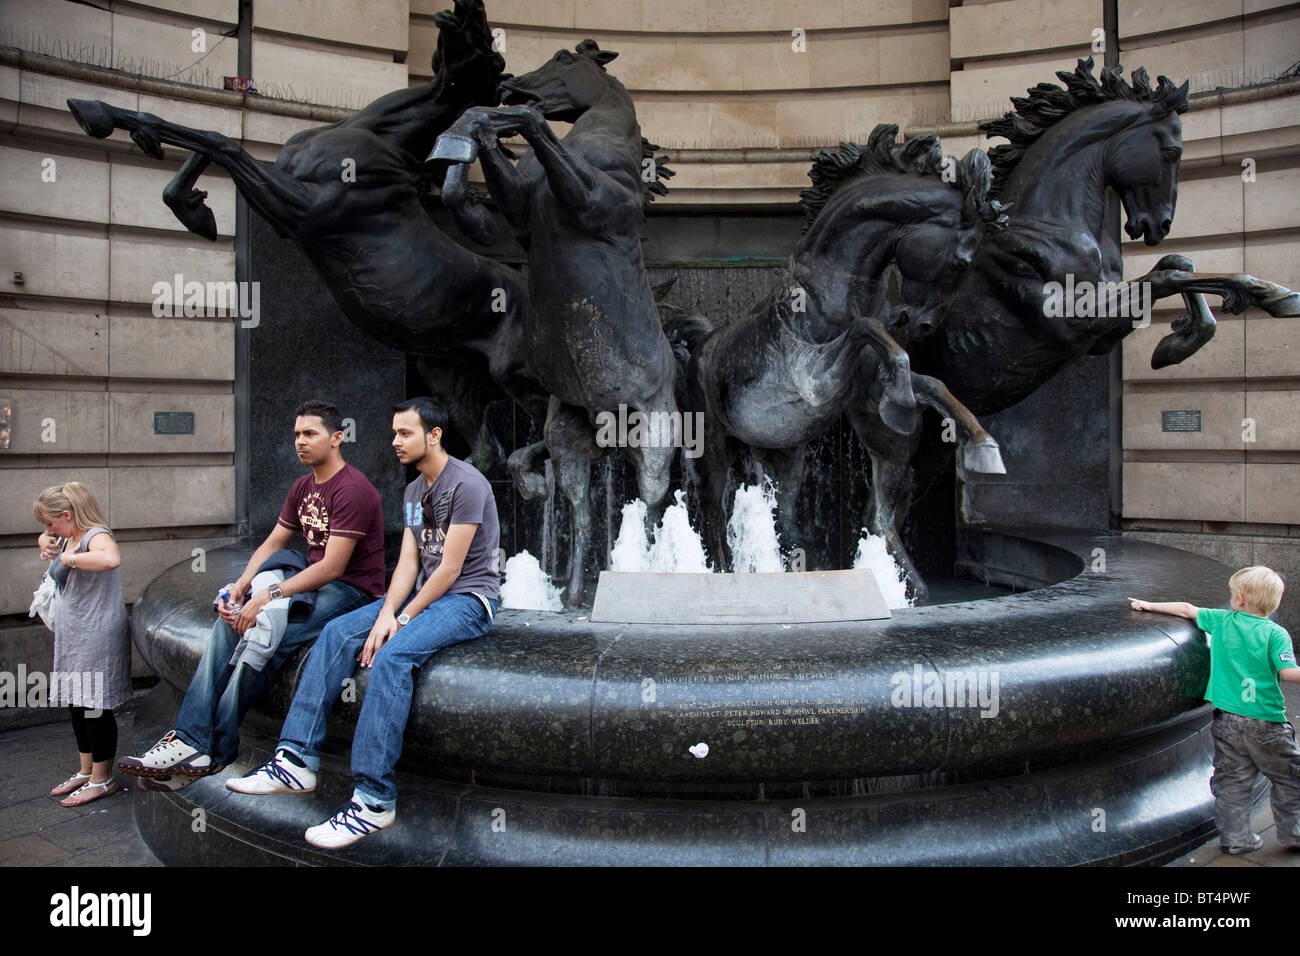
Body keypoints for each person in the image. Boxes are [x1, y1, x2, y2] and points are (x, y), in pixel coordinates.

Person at [227, 397, 501, 850]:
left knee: (392, 657)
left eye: (404, 433)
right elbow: (409, 563)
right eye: (394, 432)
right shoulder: (415, 492)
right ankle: (295, 760)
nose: (394, 441)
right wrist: (389, 611)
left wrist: (403, 620)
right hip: (422, 595)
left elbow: (450, 570)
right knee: (336, 632)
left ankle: (374, 799)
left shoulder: (467, 484)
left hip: (469, 599)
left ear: (434, 435)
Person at [119, 400, 385, 783]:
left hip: (351, 592)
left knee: (265, 634)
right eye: (296, 434)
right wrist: (241, 589)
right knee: (229, 623)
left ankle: (217, 748)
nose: (301, 441)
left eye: (310, 433)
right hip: (312, 583)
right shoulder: (303, 487)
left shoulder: (354, 490)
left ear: (337, 437)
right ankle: (189, 739)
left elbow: (332, 567)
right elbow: (274, 542)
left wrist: (267, 597)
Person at [1129, 566, 1300, 854]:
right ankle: (1293, 833)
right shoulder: (1276, 634)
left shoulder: (1223, 621)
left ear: (1241, 599)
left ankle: (1236, 838)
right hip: (1266, 724)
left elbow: (1185, 609)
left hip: (1226, 721)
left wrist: (1147, 605)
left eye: (1233, 594)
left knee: (1232, 781)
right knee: (1289, 778)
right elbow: (1288, 673)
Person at [34, 482, 133, 807]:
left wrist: (70, 559)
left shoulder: (95, 535)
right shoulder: (68, 536)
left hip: (96, 634)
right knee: (77, 703)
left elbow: (111, 558)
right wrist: (48, 541)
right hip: (76, 632)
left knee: (93, 706)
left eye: (50, 523)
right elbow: (52, 544)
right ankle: (86, 770)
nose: (48, 530)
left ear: (67, 514)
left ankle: (102, 780)